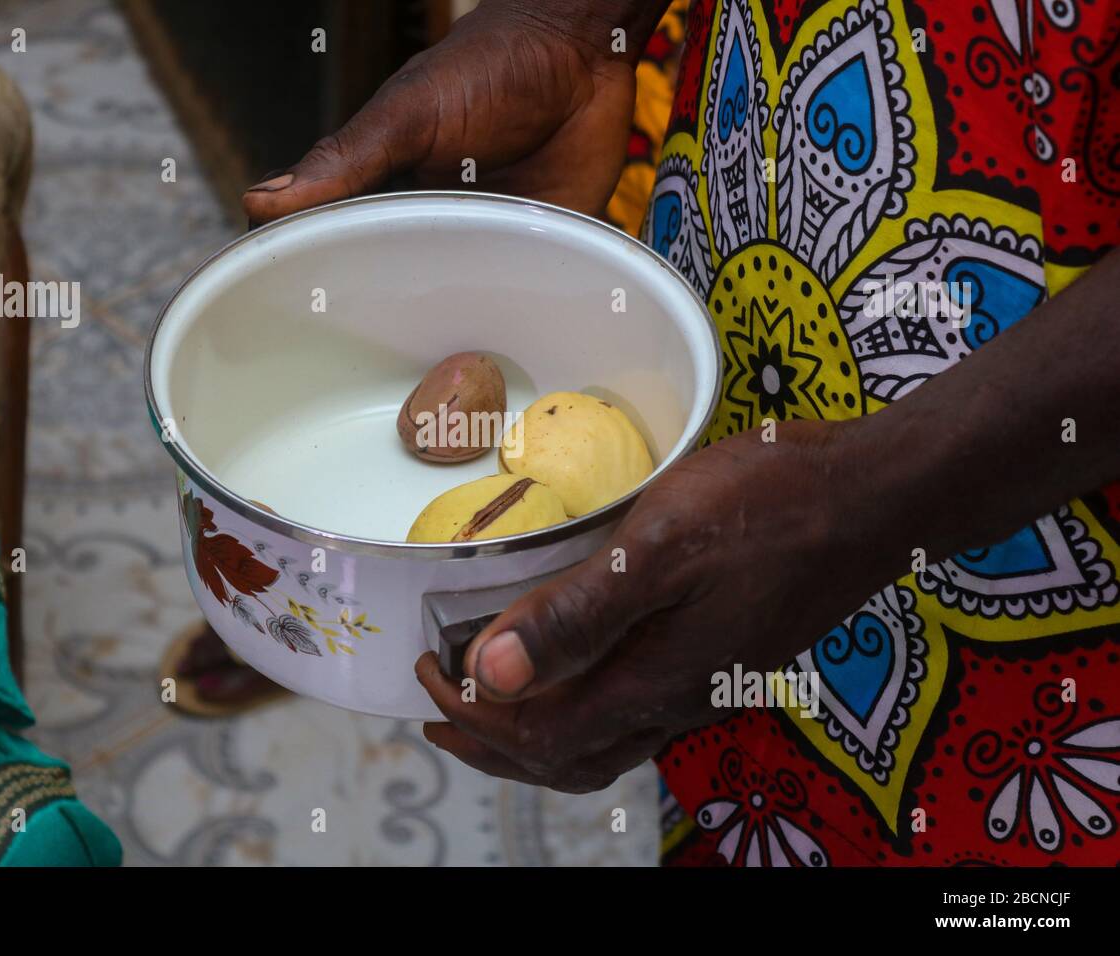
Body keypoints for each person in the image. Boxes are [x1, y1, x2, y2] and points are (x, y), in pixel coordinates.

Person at [241, 0, 1120, 865]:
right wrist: (579, 24)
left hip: (1045, 624)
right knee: (737, 765)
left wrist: (872, 498)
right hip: (750, 272)